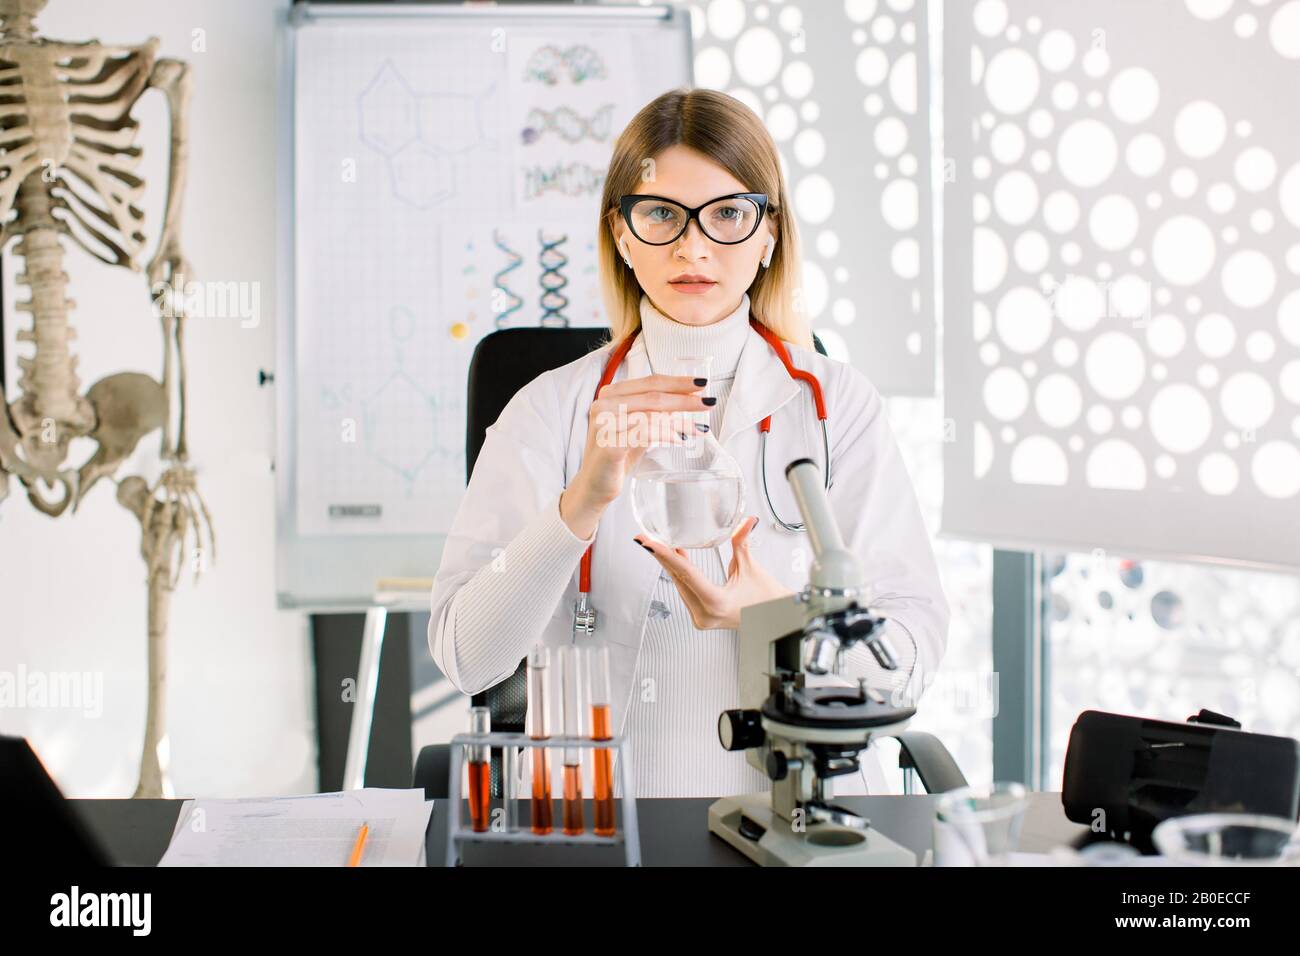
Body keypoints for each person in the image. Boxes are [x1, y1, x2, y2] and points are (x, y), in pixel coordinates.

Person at [429, 87, 950, 797]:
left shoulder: (836, 408)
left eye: (729, 213)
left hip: (798, 819)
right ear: (621, 233)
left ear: (769, 235)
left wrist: (776, 623)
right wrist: (579, 504)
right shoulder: (548, 410)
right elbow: (466, 658)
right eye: (661, 215)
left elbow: (910, 653)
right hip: (600, 823)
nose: (693, 246)